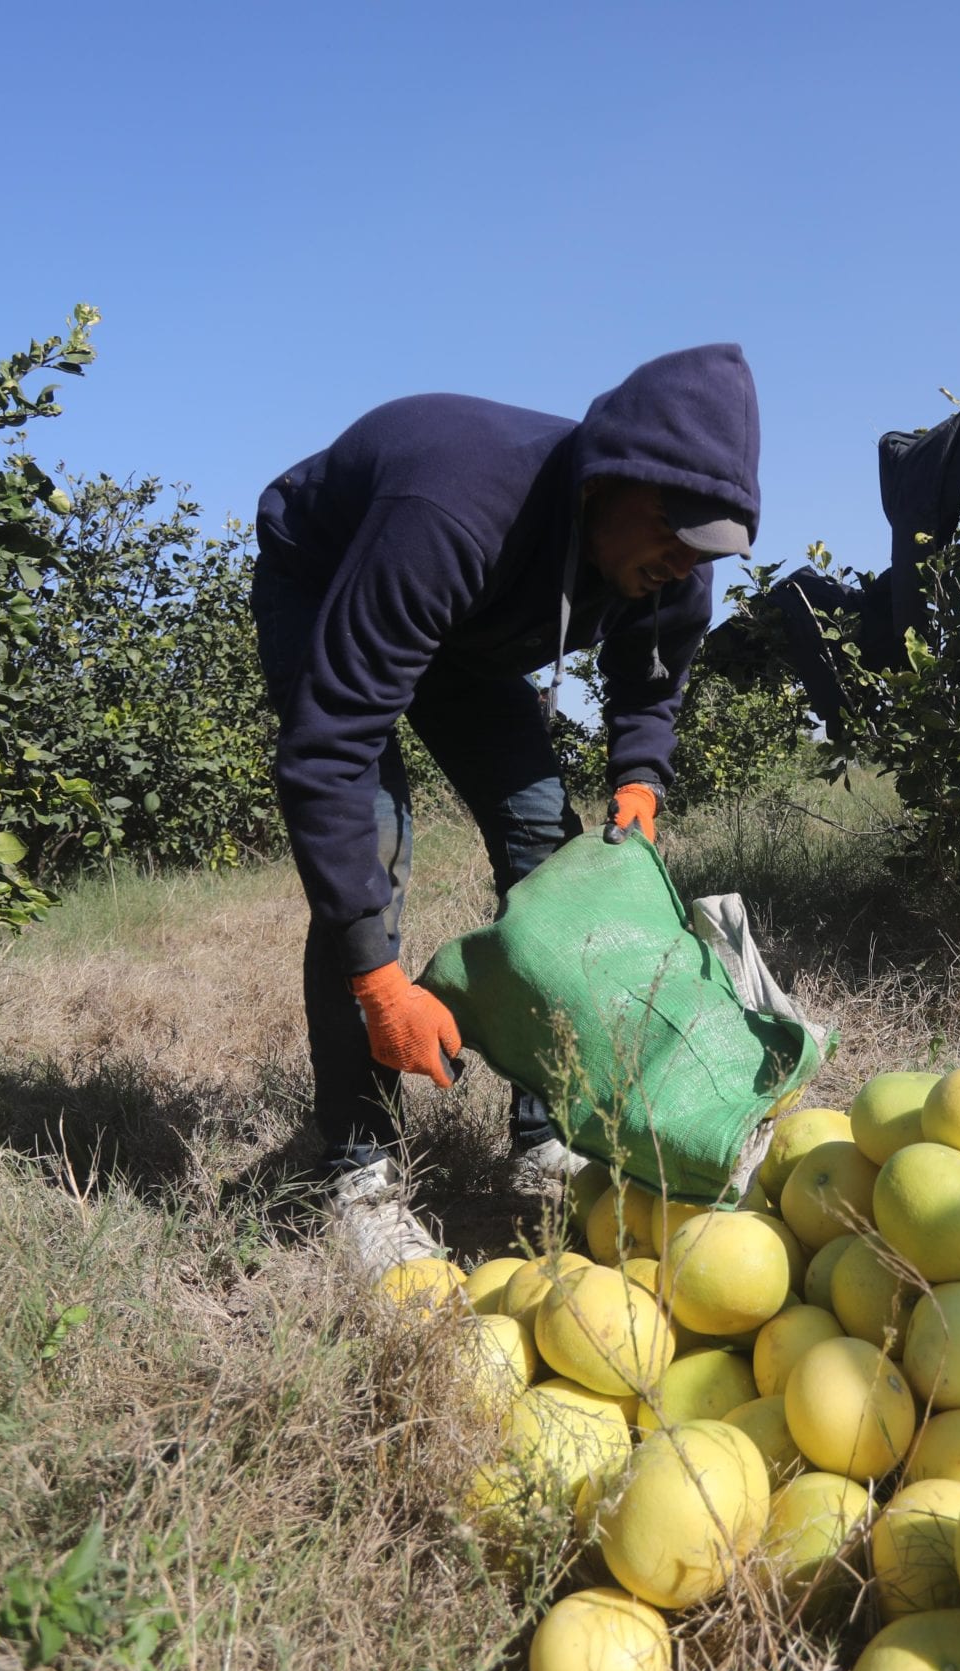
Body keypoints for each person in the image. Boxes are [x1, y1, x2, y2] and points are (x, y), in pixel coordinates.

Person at [250, 344, 760, 1256]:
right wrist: (378, 981)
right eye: (674, 535)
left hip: (472, 632)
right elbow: (327, 754)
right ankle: (357, 1175)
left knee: (547, 845)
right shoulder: (449, 508)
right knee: (372, 837)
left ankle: (543, 1131)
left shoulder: (675, 553)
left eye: (705, 546)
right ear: (608, 484)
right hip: (331, 571)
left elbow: (651, 680)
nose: (685, 563)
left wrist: (640, 775)